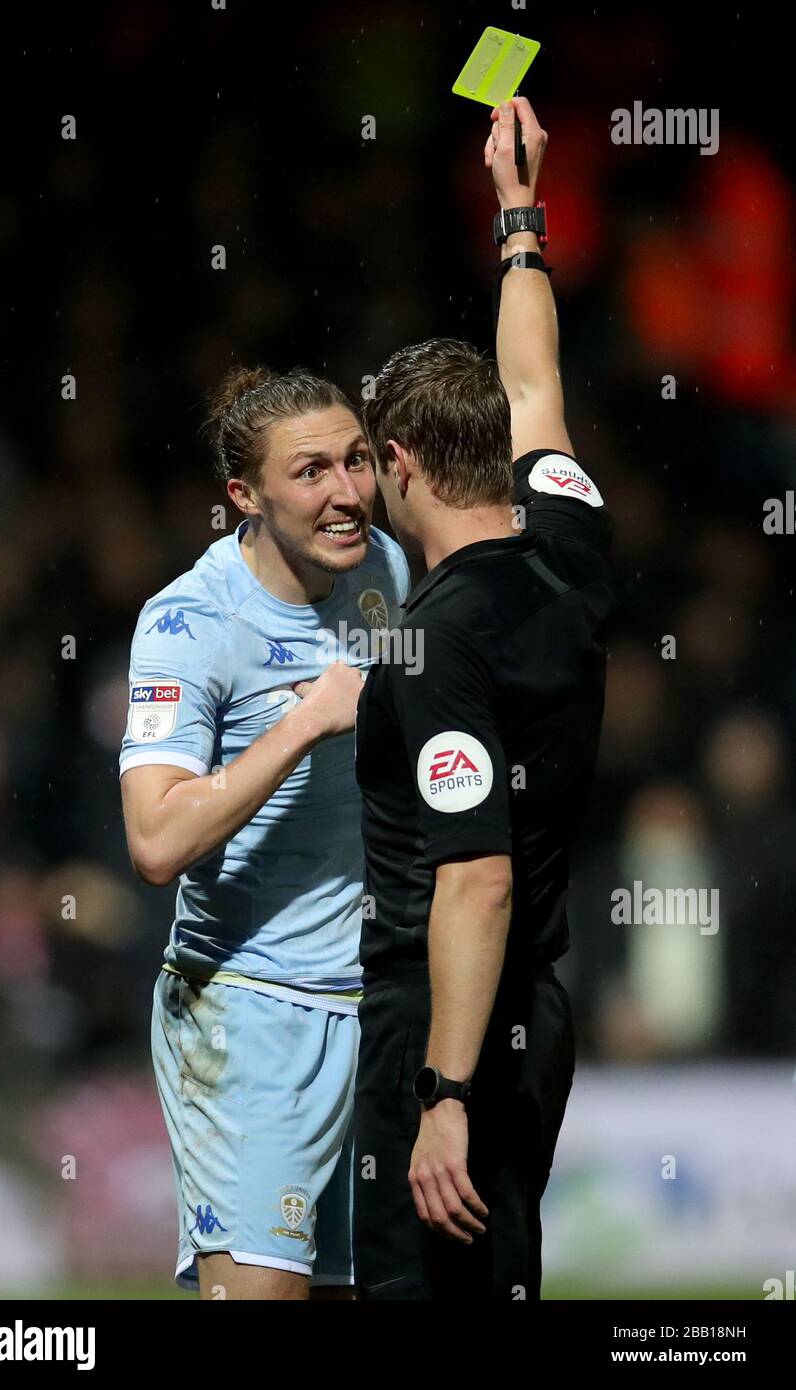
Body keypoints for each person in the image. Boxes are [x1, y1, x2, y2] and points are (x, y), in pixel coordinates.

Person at [352, 97, 616, 1299]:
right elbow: (536, 378)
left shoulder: (433, 641)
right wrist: (521, 218)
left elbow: (479, 873)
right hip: (540, 1012)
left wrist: (443, 1096)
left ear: (400, 466)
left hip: (447, 1010)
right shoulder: (568, 542)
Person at [119, 366, 410, 1300]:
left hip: (374, 1006)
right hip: (247, 1012)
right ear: (243, 496)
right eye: (312, 471)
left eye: (357, 461)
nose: (346, 492)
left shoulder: (387, 573)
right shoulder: (189, 624)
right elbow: (156, 843)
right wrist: (302, 722)